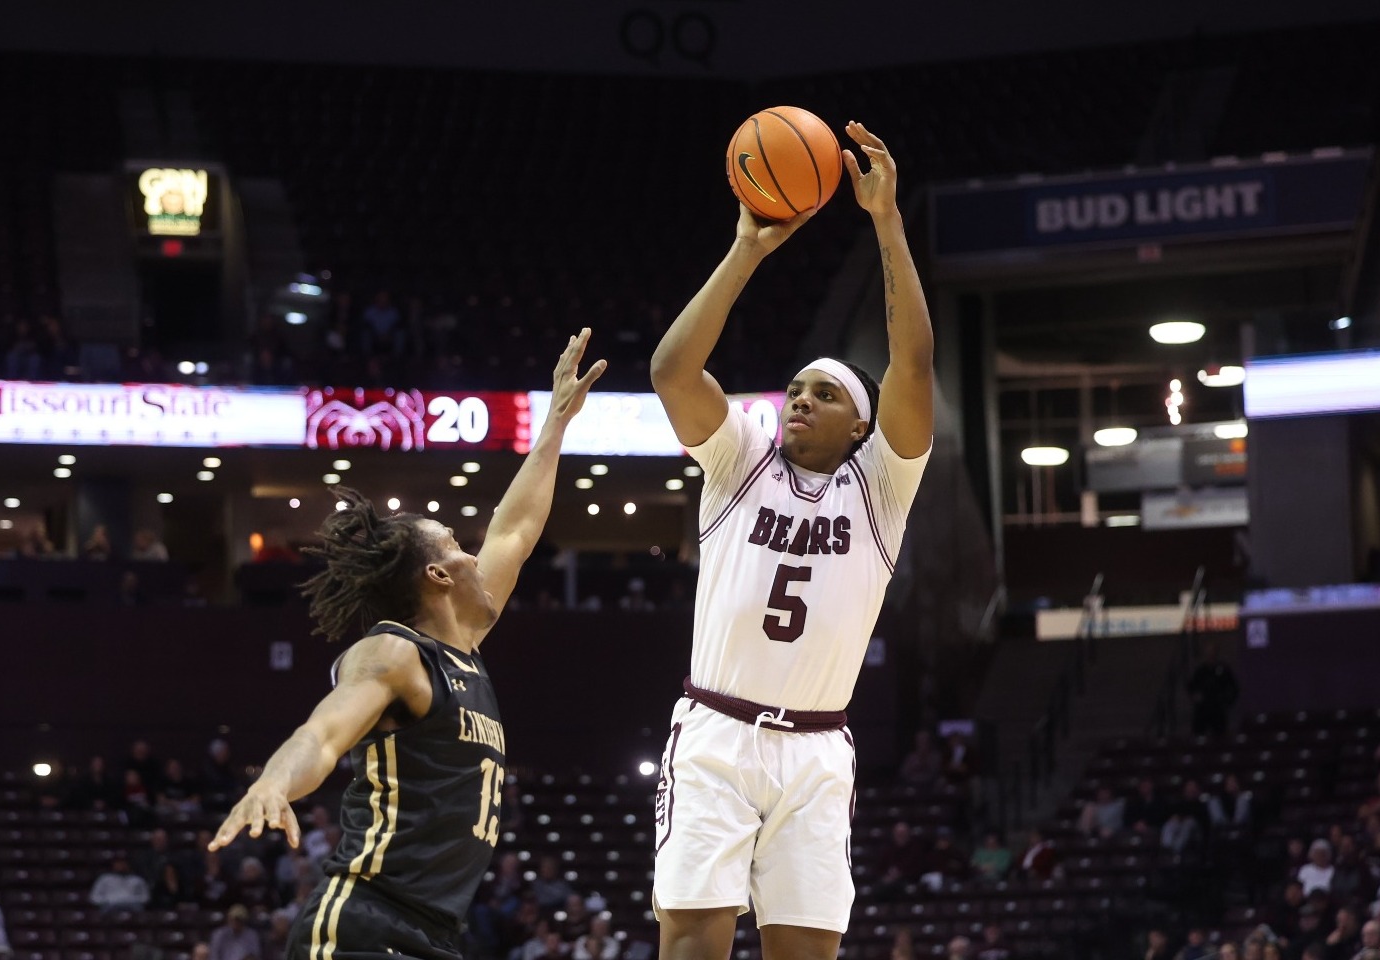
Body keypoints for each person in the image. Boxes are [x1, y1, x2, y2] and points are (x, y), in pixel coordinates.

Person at [208, 332, 604, 960]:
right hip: (365, 919)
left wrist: (556, 422)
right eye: (455, 541)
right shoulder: (394, 655)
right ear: (439, 577)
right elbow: (323, 734)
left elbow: (518, 528)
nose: (476, 551)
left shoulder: (464, 642)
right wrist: (274, 785)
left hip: (434, 932)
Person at [647, 121, 933, 960]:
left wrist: (885, 221)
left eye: (823, 393)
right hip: (715, 732)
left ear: (861, 427)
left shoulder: (881, 487)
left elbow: (912, 367)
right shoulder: (739, 460)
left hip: (816, 748)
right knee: (693, 943)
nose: (798, 401)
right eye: (793, 390)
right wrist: (747, 249)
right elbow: (672, 371)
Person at [1186, 642, 1240, 737]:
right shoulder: (1200, 671)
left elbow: (1234, 688)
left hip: (1218, 709)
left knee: (1220, 737)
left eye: (1212, 652)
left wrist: (1227, 701)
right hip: (1203, 709)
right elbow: (1191, 687)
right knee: (1199, 736)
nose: (1210, 655)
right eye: (1208, 652)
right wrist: (1195, 697)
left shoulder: (1223, 670)